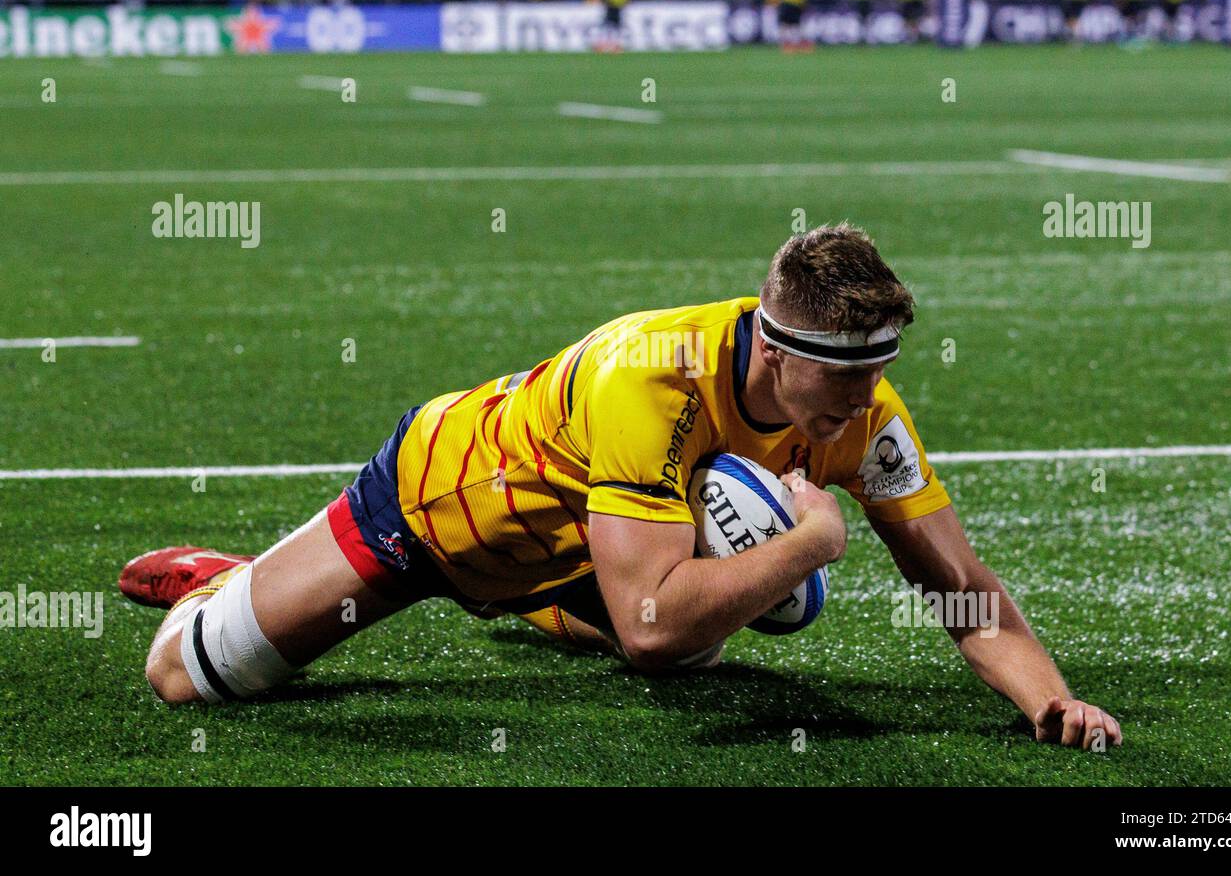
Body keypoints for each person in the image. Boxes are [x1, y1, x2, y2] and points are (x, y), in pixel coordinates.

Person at [121, 224, 1122, 751]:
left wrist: (1050, 698)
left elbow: (953, 576)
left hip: (590, 537)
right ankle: (226, 580)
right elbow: (646, 621)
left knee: (708, 625)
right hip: (444, 512)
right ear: (774, 350)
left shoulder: (859, 405)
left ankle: (557, 601)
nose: (868, 397)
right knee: (195, 677)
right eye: (845, 375)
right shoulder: (651, 374)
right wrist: (809, 542)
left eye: (878, 370)